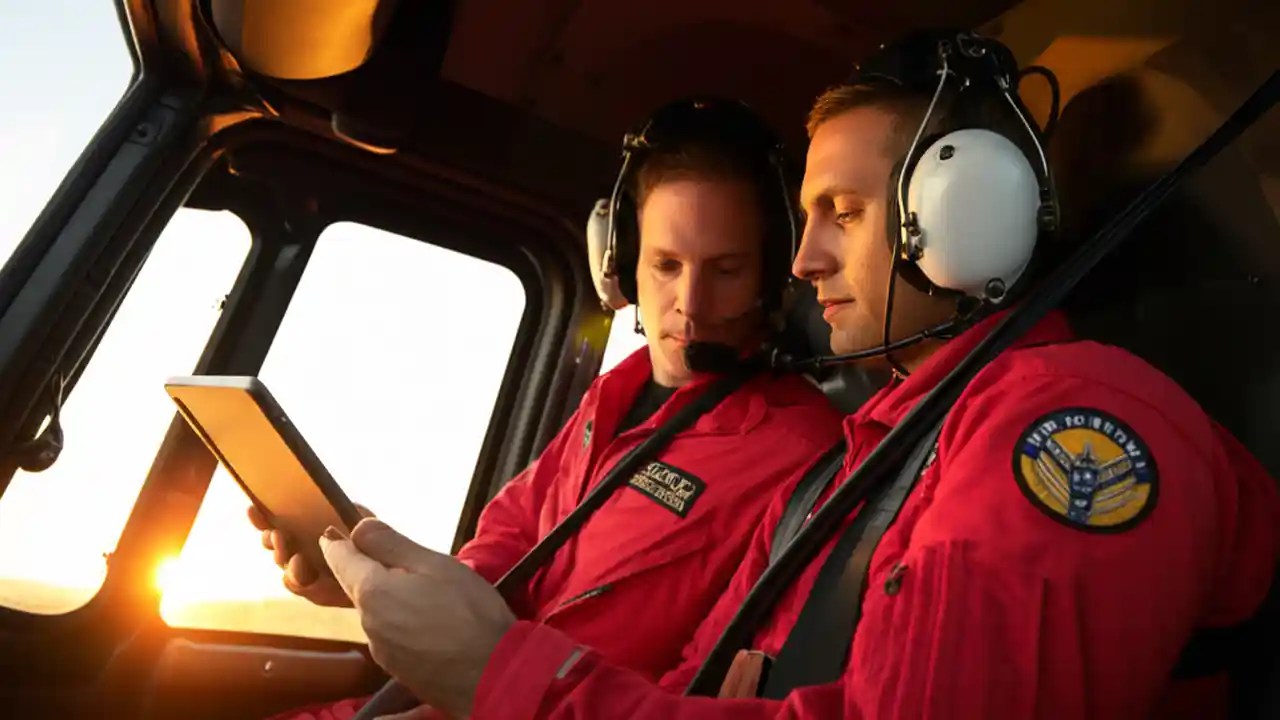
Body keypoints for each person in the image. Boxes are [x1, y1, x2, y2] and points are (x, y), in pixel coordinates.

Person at [317, 28, 1280, 720]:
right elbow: (692, 687)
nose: (804, 260)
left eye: (844, 211)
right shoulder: (872, 454)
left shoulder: (1071, 424)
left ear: (964, 213)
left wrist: (498, 674)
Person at [254, 98, 845, 720]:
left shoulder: (804, 450)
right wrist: (375, 573)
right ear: (621, 266)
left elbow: (696, 686)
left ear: (771, 277)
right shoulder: (614, 392)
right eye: (666, 266)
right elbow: (508, 543)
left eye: (725, 269)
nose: (690, 304)